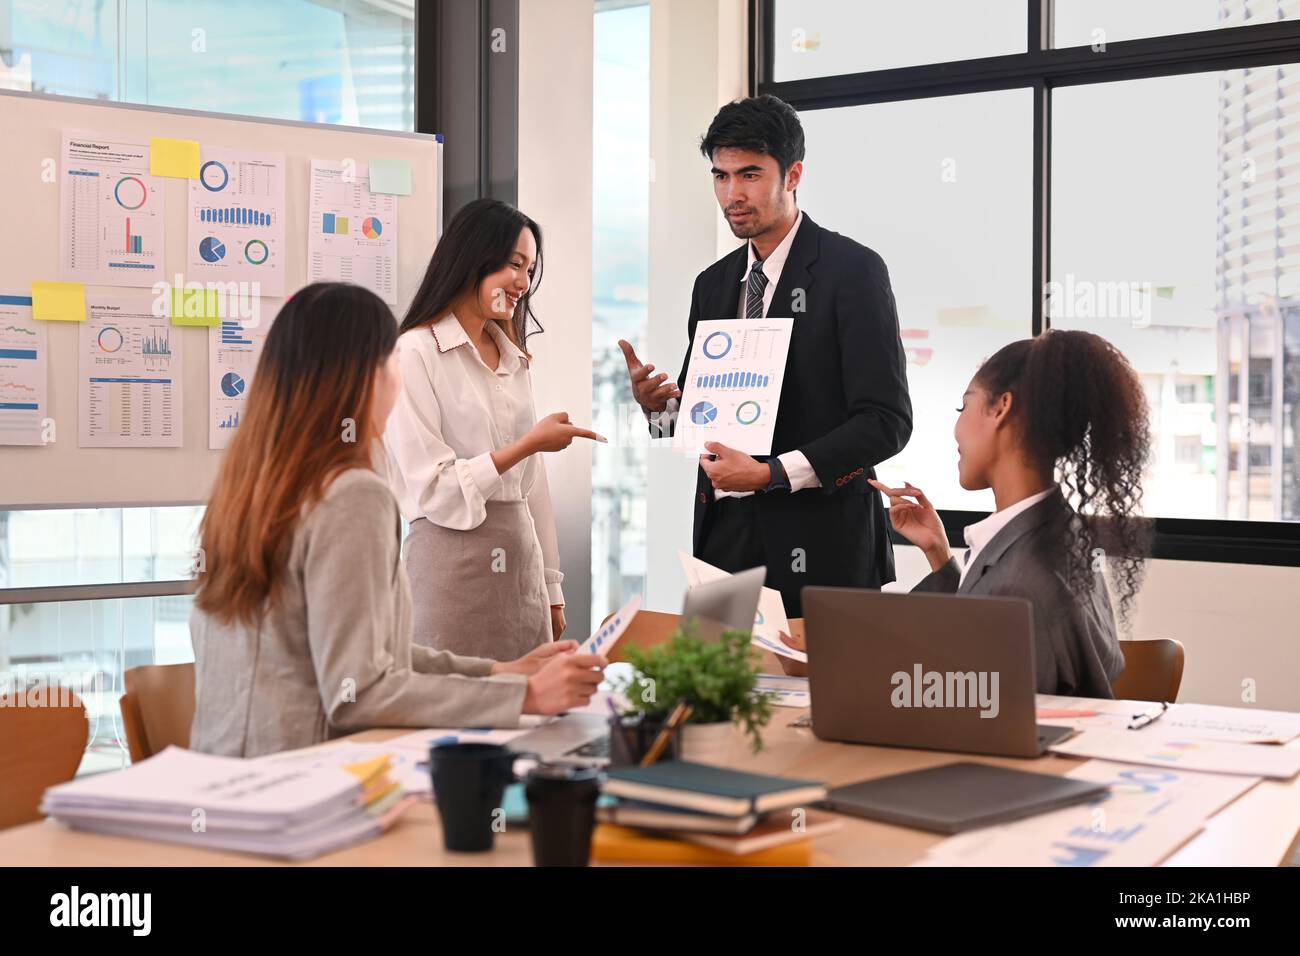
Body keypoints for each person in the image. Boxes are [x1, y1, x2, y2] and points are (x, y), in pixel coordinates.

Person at [189, 282, 606, 758]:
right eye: (392, 361)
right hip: (300, 783)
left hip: (226, 777)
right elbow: (360, 691)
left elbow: (369, 650)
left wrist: (502, 673)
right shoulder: (352, 496)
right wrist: (526, 697)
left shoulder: (244, 490)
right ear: (365, 377)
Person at [619, 94, 912, 617]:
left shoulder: (854, 272)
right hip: (723, 544)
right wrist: (657, 409)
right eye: (720, 176)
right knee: (717, 695)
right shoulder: (712, 285)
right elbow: (697, 421)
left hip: (825, 548)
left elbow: (885, 422)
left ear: (793, 174)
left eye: (750, 174)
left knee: (826, 699)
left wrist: (772, 473)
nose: (732, 193)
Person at [782, 330, 1151, 699]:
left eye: (964, 407)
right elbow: (978, 645)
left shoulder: (1019, 582)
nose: (956, 429)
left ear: (1001, 408)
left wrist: (830, 666)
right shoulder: (1061, 534)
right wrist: (941, 557)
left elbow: (978, 710)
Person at [385, 199, 604, 659]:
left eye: (530, 270)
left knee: (530, 715)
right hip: (449, 571)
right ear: (473, 258)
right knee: (452, 713)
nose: (524, 283)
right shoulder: (415, 353)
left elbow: (532, 486)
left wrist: (551, 586)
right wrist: (526, 445)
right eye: (514, 265)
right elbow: (435, 489)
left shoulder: (512, 355)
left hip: (520, 566)